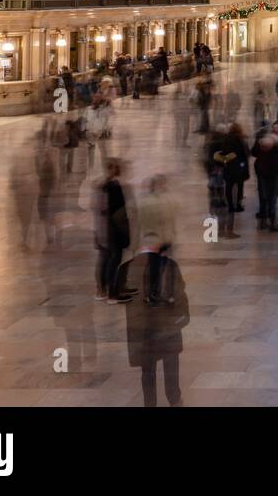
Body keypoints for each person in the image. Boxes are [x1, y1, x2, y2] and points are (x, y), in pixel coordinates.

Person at [117, 247, 189, 407]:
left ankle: (150, 403)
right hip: (167, 327)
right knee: (171, 363)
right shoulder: (170, 265)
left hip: (142, 330)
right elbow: (180, 295)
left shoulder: (125, 268)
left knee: (147, 370)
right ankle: (174, 398)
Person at [93, 159, 133, 304]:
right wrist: (126, 233)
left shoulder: (100, 186)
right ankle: (112, 294)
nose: (120, 169)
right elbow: (119, 213)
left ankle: (102, 290)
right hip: (113, 231)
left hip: (103, 230)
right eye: (118, 167)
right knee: (114, 261)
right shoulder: (113, 187)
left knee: (105, 260)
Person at [136, 174, 178, 303]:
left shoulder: (153, 200)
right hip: (159, 239)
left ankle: (155, 294)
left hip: (158, 239)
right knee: (157, 267)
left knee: (156, 266)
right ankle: (157, 294)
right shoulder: (157, 201)